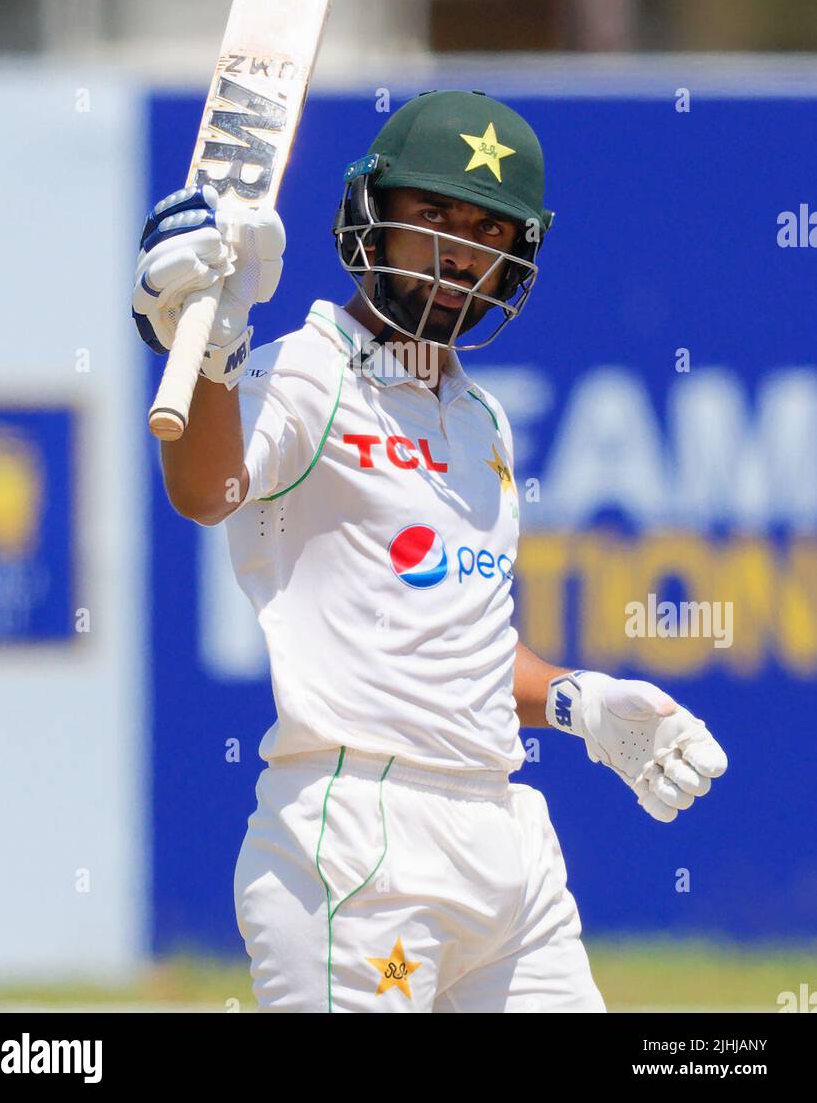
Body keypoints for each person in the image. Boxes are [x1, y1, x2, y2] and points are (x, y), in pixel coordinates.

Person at [133, 90, 727, 1014]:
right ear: (372, 215)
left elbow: (467, 644)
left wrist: (582, 703)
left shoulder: (482, 418)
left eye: (490, 231)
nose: (461, 255)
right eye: (433, 217)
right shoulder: (306, 369)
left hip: (507, 843)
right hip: (355, 845)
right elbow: (205, 490)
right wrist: (208, 350)